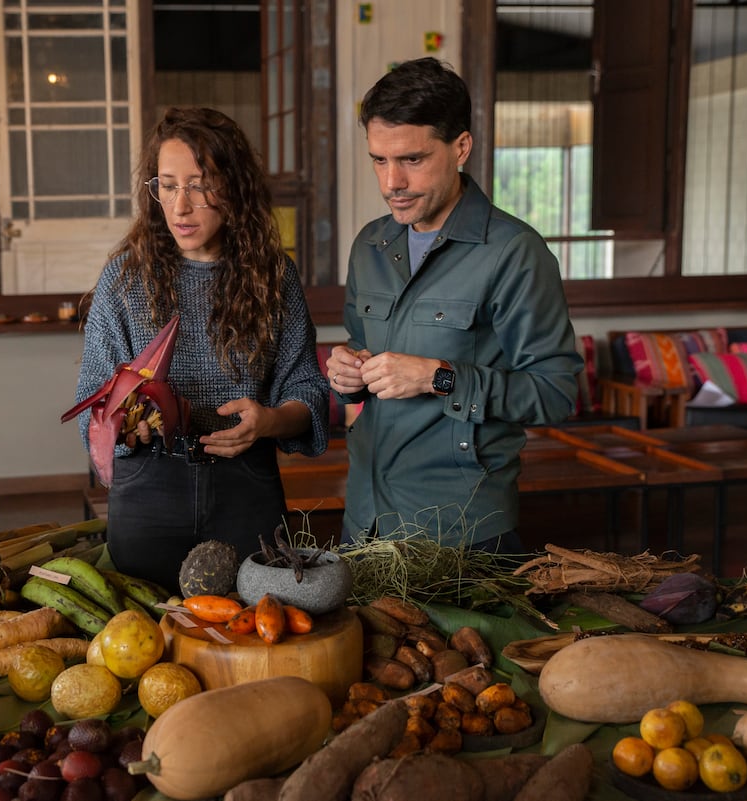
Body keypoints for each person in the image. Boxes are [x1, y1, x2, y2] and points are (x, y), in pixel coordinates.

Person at [324, 58, 583, 552]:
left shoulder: (513, 252)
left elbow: (556, 394)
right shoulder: (370, 245)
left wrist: (438, 376)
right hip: (366, 517)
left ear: (461, 146)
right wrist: (348, 373)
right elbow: (363, 353)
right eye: (379, 159)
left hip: (461, 530)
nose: (391, 183)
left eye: (412, 160)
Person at [73, 106, 330, 592]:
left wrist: (269, 421)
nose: (180, 206)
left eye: (199, 184)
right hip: (149, 491)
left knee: (255, 637)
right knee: (148, 640)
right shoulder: (126, 279)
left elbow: (307, 391)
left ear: (233, 186)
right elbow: (93, 401)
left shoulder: (273, 277)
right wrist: (124, 424)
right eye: (167, 185)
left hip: (246, 489)